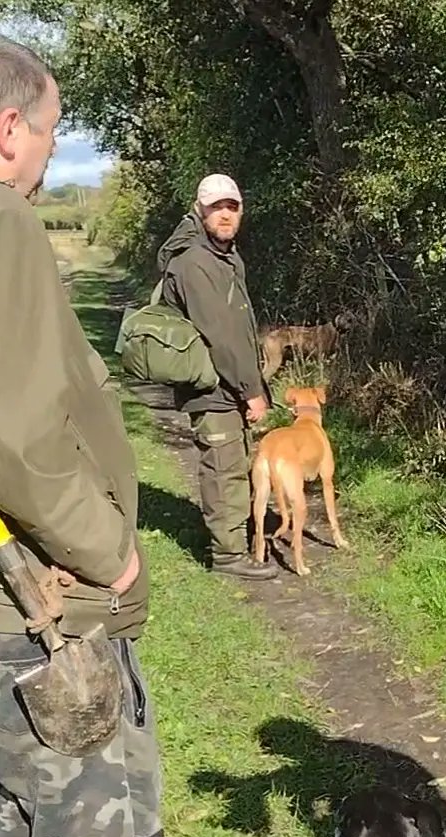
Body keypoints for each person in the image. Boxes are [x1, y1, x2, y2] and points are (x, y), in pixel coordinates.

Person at [0, 29, 215, 837]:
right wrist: (108, 551)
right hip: (31, 613)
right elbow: (12, 433)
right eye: (52, 134)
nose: (52, 158)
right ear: (8, 127)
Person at [156, 174, 278, 580]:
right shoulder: (195, 262)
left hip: (227, 384)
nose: (225, 214)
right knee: (223, 467)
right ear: (199, 209)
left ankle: (233, 537)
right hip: (212, 385)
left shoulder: (226, 255)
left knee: (232, 461)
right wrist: (252, 390)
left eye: (232, 206)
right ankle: (227, 556)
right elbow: (221, 335)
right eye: (216, 207)